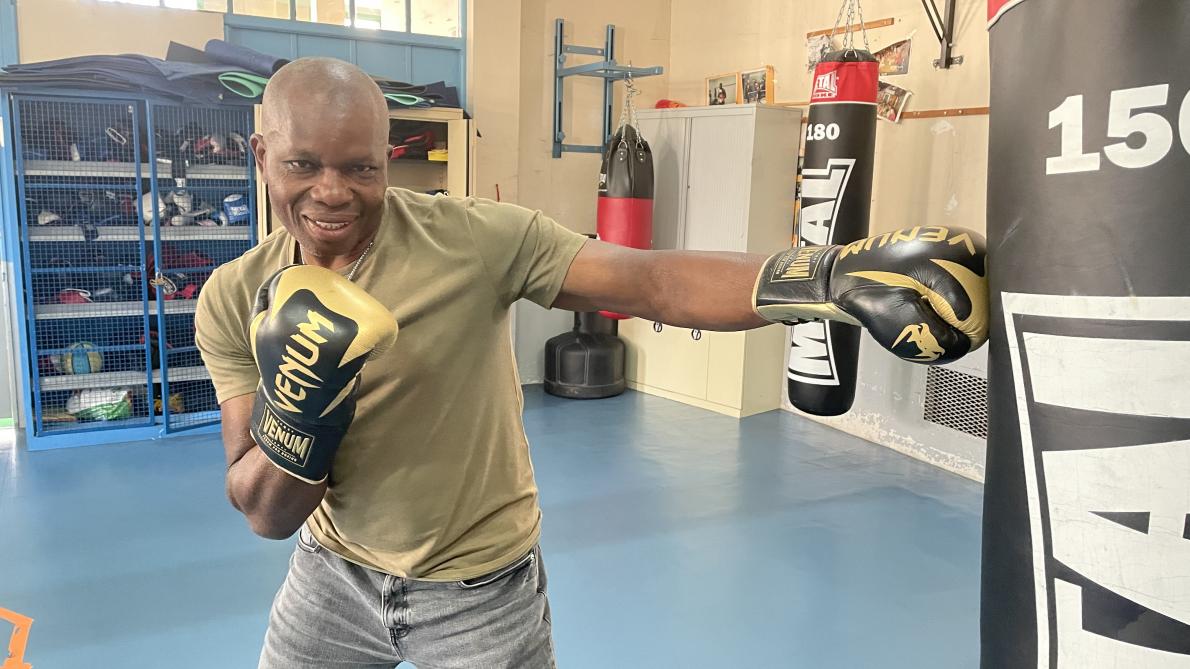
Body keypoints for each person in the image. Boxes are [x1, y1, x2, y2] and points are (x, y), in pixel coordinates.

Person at [195, 57, 988, 668]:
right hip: (332, 577)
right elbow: (264, 511)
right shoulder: (233, 298)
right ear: (263, 154)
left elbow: (650, 279)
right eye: (303, 165)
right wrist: (301, 411)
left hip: (478, 587)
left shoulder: (472, 239)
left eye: (361, 167)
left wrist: (824, 277)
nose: (334, 192)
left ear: (387, 156)